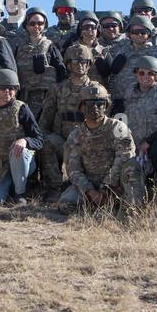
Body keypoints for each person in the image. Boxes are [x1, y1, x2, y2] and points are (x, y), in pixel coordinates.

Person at [57, 84, 140, 214]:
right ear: (81, 107)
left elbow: (124, 157)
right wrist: (91, 192)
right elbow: (73, 169)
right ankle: (99, 207)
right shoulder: (76, 135)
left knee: (131, 166)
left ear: (106, 105)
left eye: (100, 103)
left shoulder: (118, 128)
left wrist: (105, 188)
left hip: (115, 183)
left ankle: (130, 208)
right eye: (89, 104)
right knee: (65, 204)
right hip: (91, 184)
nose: (95, 107)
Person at [0, 69, 44, 206]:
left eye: (11, 88)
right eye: (2, 88)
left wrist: (25, 140)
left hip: (21, 162)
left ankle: (20, 194)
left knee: (19, 151)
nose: (7, 91)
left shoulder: (21, 108)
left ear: (16, 90)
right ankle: (10, 188)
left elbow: (39, 138)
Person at [37, 43, 96, 202]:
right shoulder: (57, 89)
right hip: (62, 141)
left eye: (84, 61)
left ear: (89, 64)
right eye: (75, 61)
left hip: (88, 143)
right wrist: (41, 136)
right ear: (68, 64)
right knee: (46, 142)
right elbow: (46, 118)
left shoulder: (96, 90)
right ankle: (54, 187)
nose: (80, 65)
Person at [123, 55, 157, 188]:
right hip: (135, 141)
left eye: (150, 73)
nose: (145, 77)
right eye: (141, 73)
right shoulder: (130, 91)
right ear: (136, 74)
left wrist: (149, 141)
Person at [97, 15, 157, 112]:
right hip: (119, 98)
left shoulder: (155, 52)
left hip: (144, 100)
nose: (139, 35)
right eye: (135, 32)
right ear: (129, 33)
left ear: (149, 34)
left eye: (143, 32)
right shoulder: (120, 47)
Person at [12, 7, 65, 121]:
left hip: (46, 96)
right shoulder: (19, 48)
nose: (36, 26)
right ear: (26, 25)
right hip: (24, 95)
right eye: (32, 23)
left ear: (45, 25)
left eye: (40, 23)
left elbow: (61, 71)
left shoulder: (50, 46)